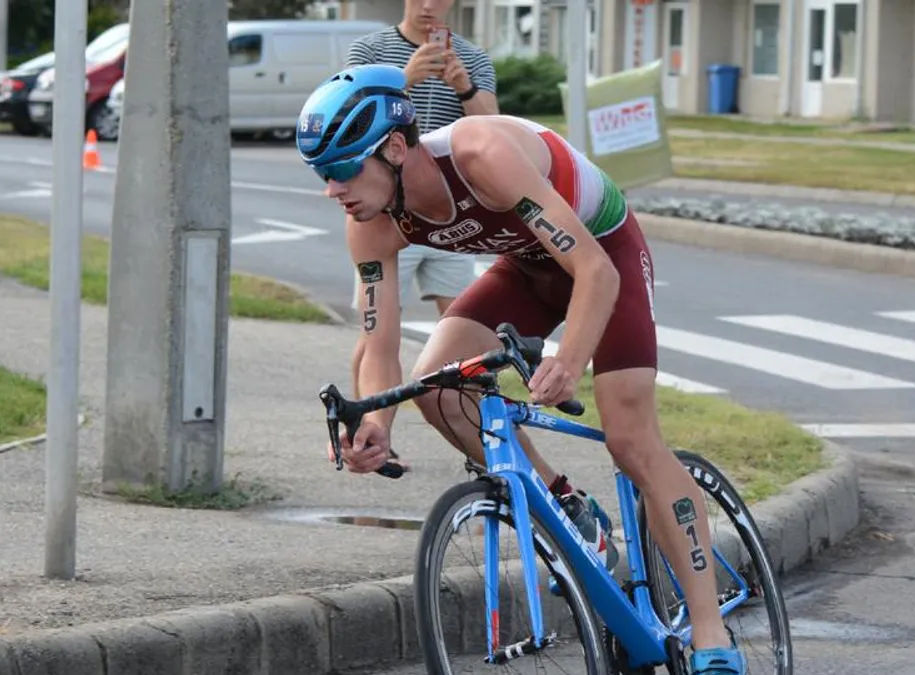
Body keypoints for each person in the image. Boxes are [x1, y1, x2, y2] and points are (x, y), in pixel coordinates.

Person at [296, 64, 746, 674]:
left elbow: (596, 273)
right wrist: (378, 419)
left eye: (343, 168)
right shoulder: (369, 223)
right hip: (526, 271)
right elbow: (379, 345)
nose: (332, 188)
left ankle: (711, 634)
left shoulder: (482, 154)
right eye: (321, 173)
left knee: (631, 440)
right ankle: (569, 507)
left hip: (604, 255)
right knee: (440, 388)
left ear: (396, 147)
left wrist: (568, 359)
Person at [343, 0, 500, 399]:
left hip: (449, 209)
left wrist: (463, 87)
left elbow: (493, 126)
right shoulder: (370, 50)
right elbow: (347, 116)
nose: (429, 5)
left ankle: (474, 430)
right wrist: (403, 79)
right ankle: (367, 428)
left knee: (463, 325)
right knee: (379, 331)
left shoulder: (472, 57)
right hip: (388, 213)